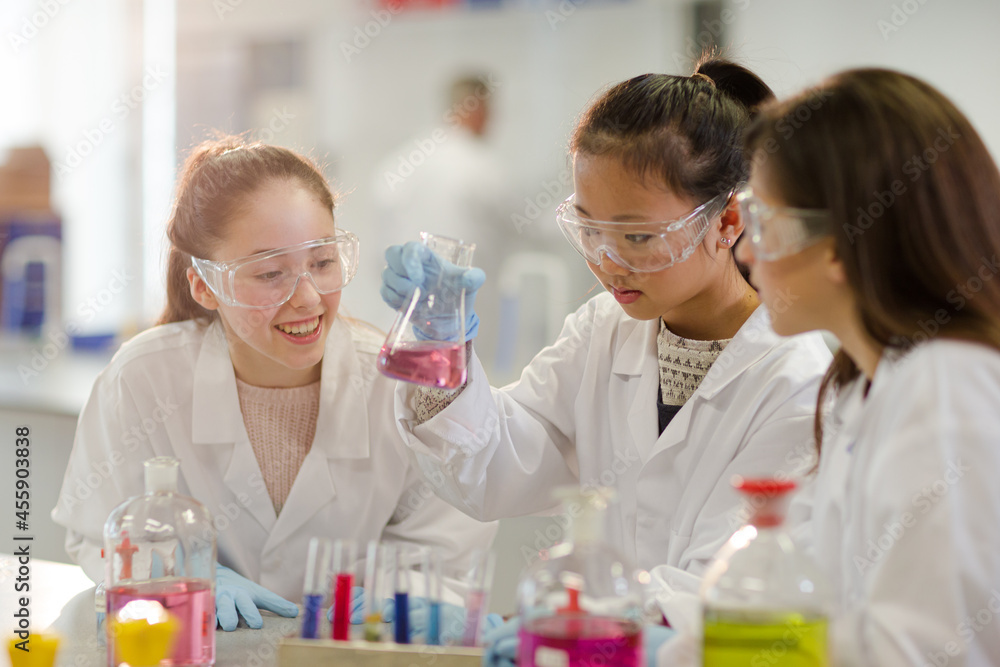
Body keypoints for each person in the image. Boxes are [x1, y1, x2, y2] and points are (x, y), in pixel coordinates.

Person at [381, 58, 833, 662]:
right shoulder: (604, 329)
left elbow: (727, 589)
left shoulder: (794, 379)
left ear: (727, 221)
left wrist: (595, 622)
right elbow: (495, 467)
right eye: (589, 229)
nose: (608, 261)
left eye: (637, 237)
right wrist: (438, 351)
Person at [51, 137, 497, 632]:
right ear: (204, 285)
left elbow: (449, 549)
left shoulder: (396, 383)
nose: (307, 298)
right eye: (269, 273)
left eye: (323, 263)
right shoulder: (144, 377)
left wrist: (391, 599)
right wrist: (183, 575)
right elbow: (97, 533)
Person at [726, 68, 1000, 664]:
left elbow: (925, 649)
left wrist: (726, 649)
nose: (746, 252)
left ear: (837, 245)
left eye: (763, 222)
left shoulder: (948, 383)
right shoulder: (862, 384)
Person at [372, 74, 510, 369]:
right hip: (465, 318)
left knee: (405, 398)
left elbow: (381, 245)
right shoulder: (482, 165)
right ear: (477, 109)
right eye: (489, 111)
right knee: (461, 393)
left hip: (405, 318)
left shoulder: (404, 161)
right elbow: (520, 227)